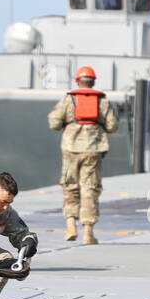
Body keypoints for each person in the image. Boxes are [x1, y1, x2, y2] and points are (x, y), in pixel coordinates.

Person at [47, 66, 119, 244]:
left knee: (70, 184)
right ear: (93, 81)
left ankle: (70, 224)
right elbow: (112, 126)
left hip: (71, 148)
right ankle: (88, 232)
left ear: (77, 80)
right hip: (93, 148)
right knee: (90, 188)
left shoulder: (69, 98)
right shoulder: (102, 100)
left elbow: (54, 123)